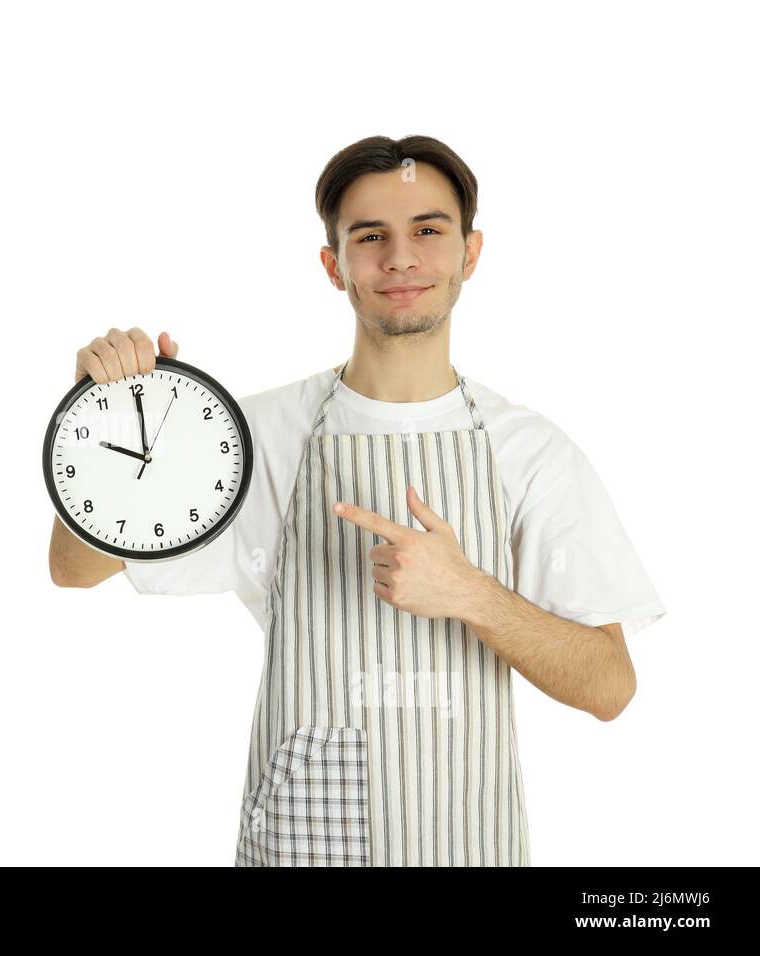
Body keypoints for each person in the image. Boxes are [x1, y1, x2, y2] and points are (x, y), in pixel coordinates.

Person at [47, 134, 667, 867]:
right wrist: (113, 417)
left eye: (428, 231)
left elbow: (610, 687)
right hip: (300, 843)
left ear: (470, 254)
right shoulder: (255, 435)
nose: (401, 258)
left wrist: (472, 594)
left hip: (468, 844)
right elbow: (75, 568)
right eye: (370, 237)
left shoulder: (531, 451)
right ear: (333, 265)